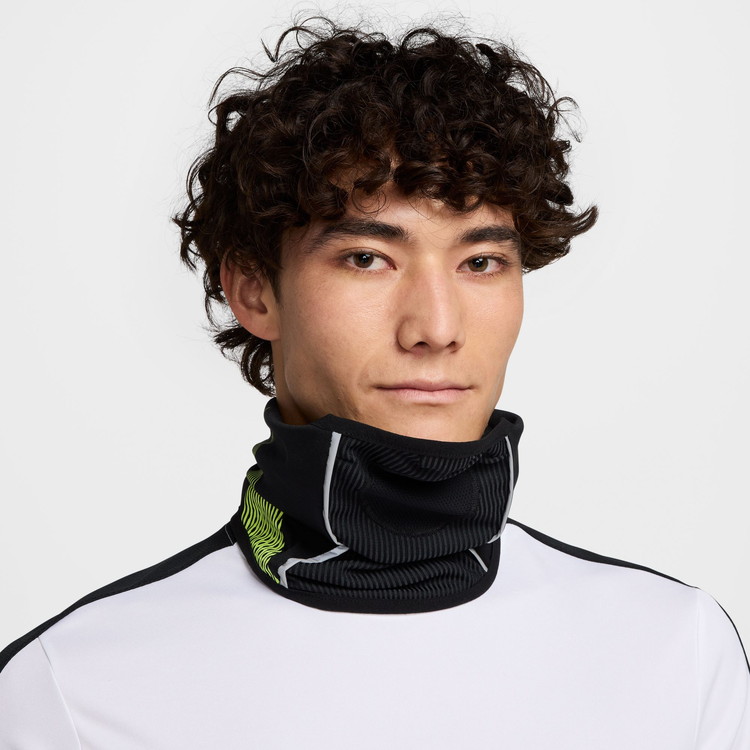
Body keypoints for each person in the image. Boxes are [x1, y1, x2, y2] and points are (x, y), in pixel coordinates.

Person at [1, 17, 748, 749]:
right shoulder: (72, 686)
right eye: (367, 258)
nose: (436, 327)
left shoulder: (675, 650)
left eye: (481, 262)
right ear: (254, 290)